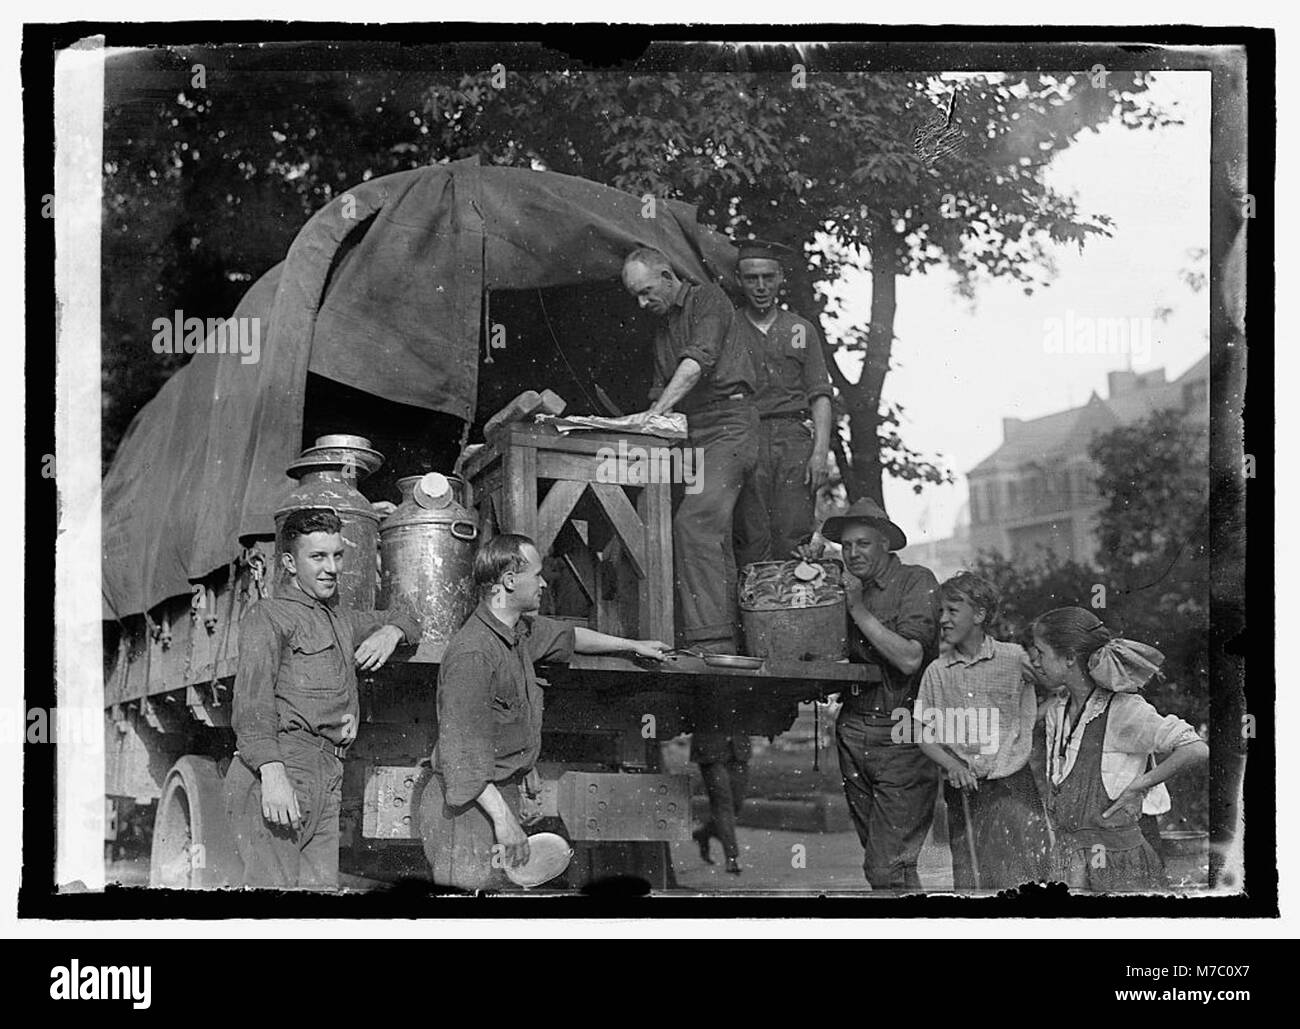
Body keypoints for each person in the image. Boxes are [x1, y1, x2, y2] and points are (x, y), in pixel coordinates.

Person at [425, 533, 671, 890]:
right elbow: (462, 757)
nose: (543, 582)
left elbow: (569, 636)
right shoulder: (474, 654)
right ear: (509, 581)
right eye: (536, 574)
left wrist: (633, 646)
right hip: (468, 811)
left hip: (491, 798)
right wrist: (503, 820)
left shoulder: (517, 633)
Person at [225, 508, 421, 889]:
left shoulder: (340, 619)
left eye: (337, 555)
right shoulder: (268, 616)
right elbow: (252, 704)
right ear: (289, 563)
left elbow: (410, 615)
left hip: (327, 773)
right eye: (317, 557)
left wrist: (392, 631)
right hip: (283, 768)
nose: (331, 567)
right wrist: (273, 773)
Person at [620, 246, 767, 653]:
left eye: (647, 291)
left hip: (729, 427)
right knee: (673, 524)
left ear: (668, 276)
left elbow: (695, 363)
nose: (642, 302)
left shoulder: (709, 299)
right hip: (693, 432)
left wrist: (656, 412)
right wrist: (640, 423)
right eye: (635, 295)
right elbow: (658, 392)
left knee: (696, 524)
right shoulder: (663, 329)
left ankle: (713, 643)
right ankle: (704, 635)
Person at [806, 499, 940, 889]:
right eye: (846, 546)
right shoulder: (845, 587)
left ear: (885, 544)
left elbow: (910, 658)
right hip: (852, 731)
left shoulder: (916, 581)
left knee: (885, 867)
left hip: (901, 734)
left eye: (863, 544)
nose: (852, 553)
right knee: (888, 866)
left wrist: (858, 609)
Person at [1028, 607, 1208, 891]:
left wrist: (1140, 786)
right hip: (1070, 859)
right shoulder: (1057, 711)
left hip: (1121, 863)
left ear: (1070, 658)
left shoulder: (1122, 710)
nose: (1033, 661)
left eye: (1040, 652)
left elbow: (1195, 749)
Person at [914, 573, 1050, 889]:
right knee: (971, 877)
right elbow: (922, 732)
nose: (943, 619)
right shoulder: (937, 672)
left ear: (979, 615)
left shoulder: (1015, 658)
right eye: (941, 611)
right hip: (964, 790)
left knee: (1027, 873)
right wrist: (952, 765)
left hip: (1013, 786)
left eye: (952, 610)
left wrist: (1030, 722)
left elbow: (1056, 685)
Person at [728, 240, 834, 565]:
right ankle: (754, 613)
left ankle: (793, 612)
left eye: (768, 277)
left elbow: (820, 394)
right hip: (746, 437)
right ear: (739, 279)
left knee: (794, 532)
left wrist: (820, 453)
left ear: (780, 277)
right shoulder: (728, 327)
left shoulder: (799, 330)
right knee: (750, 532)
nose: (760, 286)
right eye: (751, 278)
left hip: (793, 440)